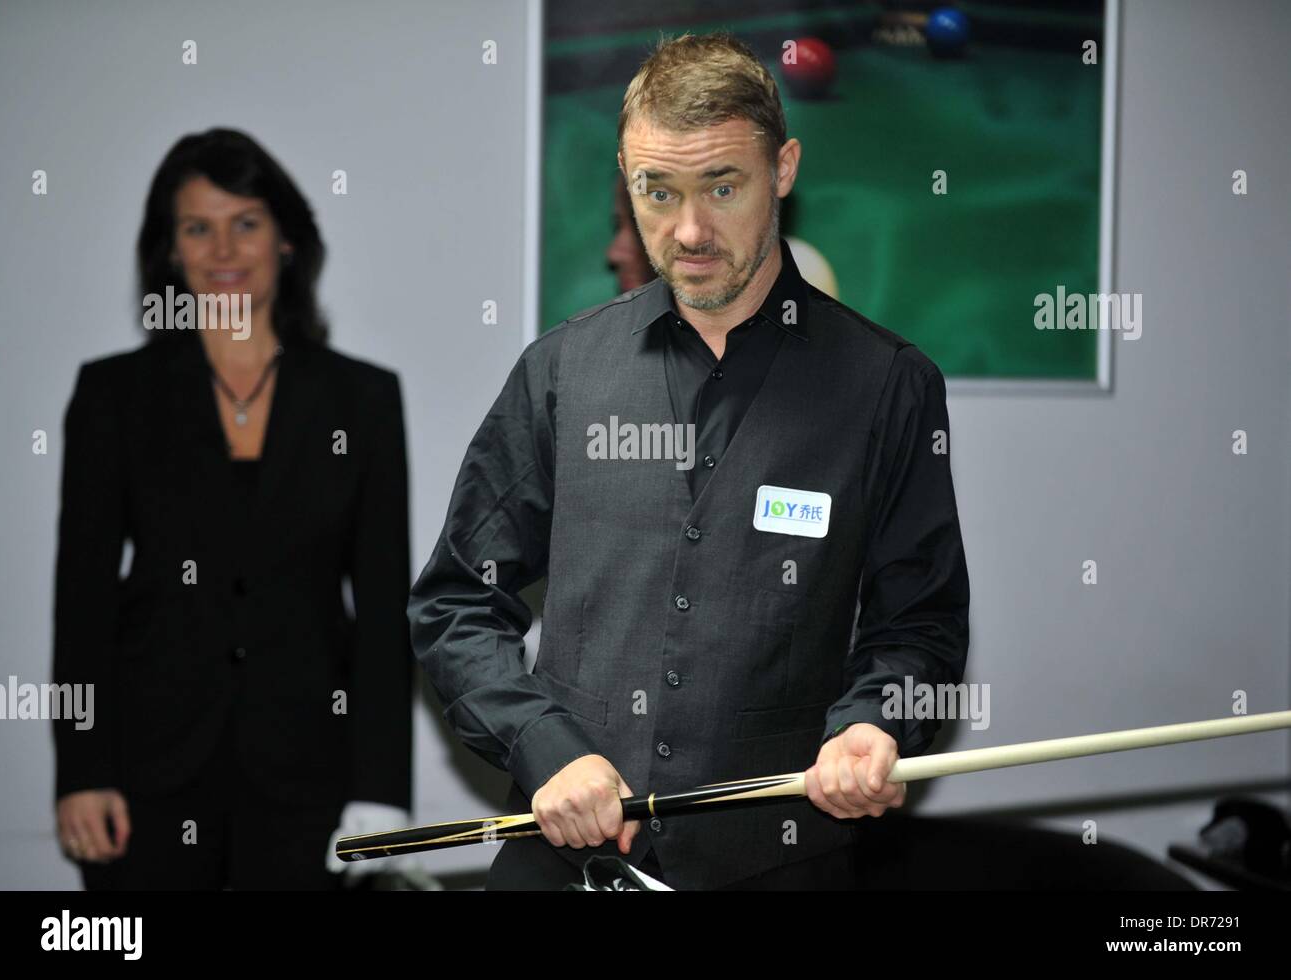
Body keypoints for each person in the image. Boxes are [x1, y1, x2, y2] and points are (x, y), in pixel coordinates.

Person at [409, 33, 970, 890]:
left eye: (722, 186)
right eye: (656, 192)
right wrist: (544, 746)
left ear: (783, 168)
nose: (690, 230)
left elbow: (919, 623)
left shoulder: (887, 386)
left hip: (780, 862)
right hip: (568, 861)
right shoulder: (561, 372)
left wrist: (872, 723)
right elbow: (455, 601)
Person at [52, 128, 413, 889]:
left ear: (285, 239)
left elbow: (382, 610)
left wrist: (381, 790)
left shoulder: (363, 399)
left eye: (245, 222)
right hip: (143, 780)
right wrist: (81, 770)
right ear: (170, 251)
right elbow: (81, 598)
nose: (223, 248)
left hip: (312, 781)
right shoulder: (113, 395)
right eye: (197, 227)